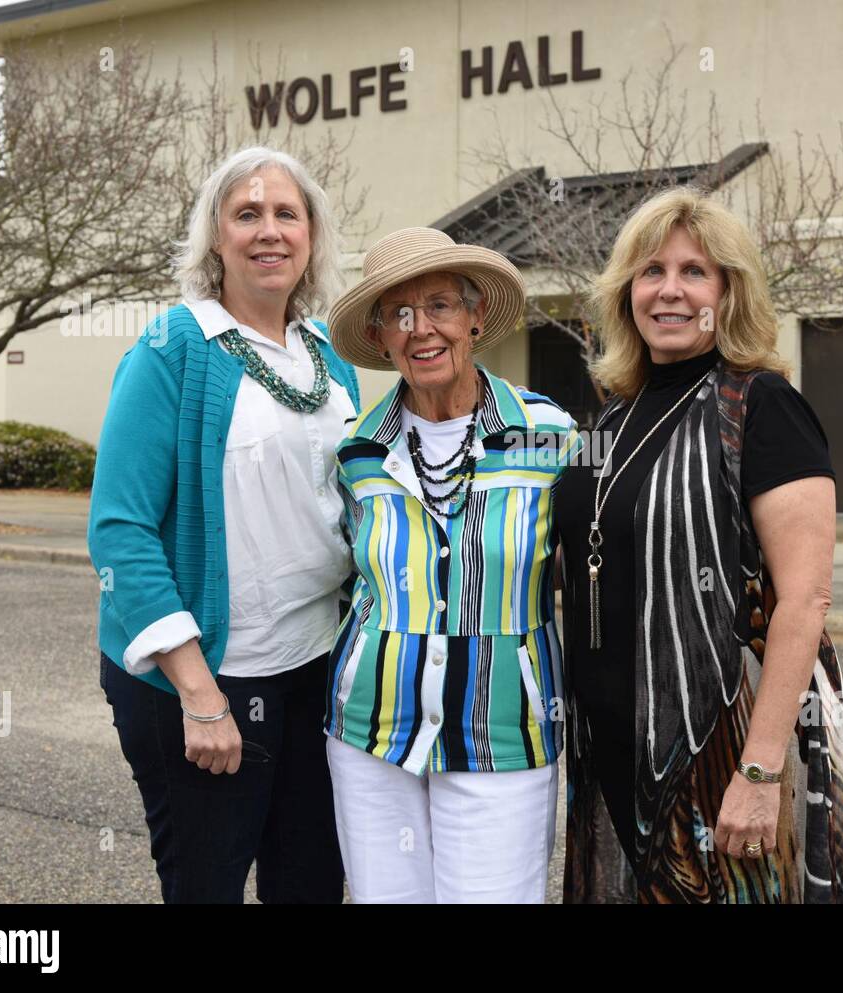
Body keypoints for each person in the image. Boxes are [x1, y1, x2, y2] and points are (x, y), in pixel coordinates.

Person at [555, 186, 843, 903]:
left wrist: (758, 771)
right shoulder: (613, 417)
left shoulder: (760, 406)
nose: (669, 289)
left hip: (715, 752)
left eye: (695, 271)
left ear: (729, 291)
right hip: (612, 761)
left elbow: (804, 598)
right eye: (651, 270)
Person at [88, 146, 360, 903]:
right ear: (216, 238)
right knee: (205, 885)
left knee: (309, 882)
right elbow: (119, 530)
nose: (268, 230)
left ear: (311, 236)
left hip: (315, 670)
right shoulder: (173, 348)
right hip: (207, 679)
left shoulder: (329, 358)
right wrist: (199, 694)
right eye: (246, 214)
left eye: (286, 213)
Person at [323, 227, 580, 903]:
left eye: (438, 305)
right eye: (399, 315)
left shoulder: (550, 435)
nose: (421, 328)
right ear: (379, 338)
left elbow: (595, 576)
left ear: (474, 318)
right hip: (371, 731)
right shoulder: (355, 450)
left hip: (504, 731)